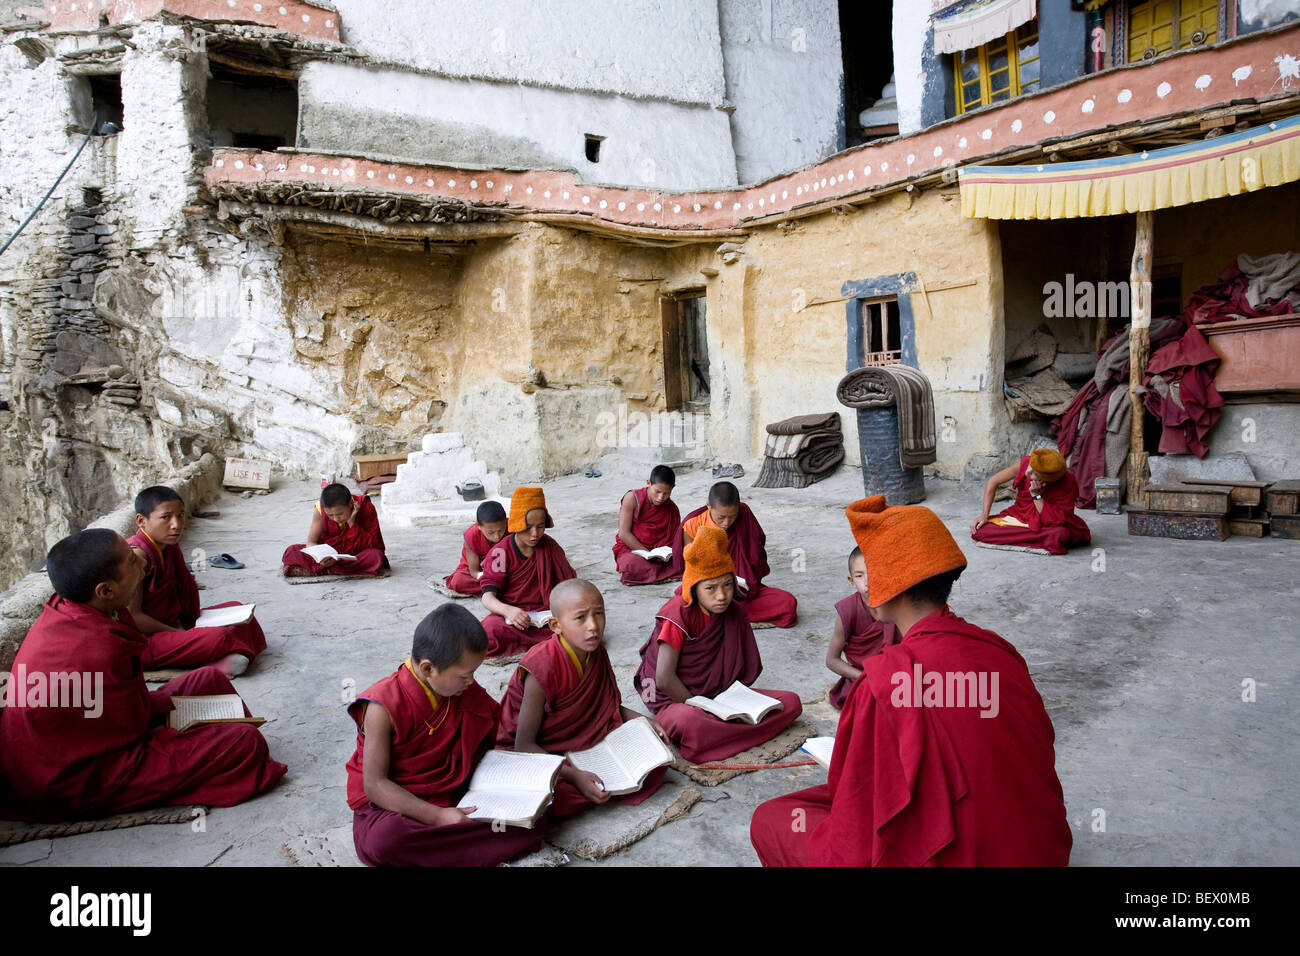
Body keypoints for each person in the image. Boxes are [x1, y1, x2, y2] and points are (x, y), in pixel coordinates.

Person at [749, 496, 1072, 867]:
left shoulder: (881, 685)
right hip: (1039, 851)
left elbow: (855, 809)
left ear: (888, 585)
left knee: (772, 819)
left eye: (872, 572)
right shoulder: (1001, 652)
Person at [0, 529, 286, 822]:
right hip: (74, 777)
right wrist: (173, 728)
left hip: (99, 730)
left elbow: (118, 709)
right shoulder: (96, 646)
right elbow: (130, 729)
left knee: (208, 680)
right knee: (243, 742)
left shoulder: (77, 608)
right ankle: (196, 768)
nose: (140, 558)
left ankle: (205, 752)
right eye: (129, 560)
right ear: (105, 590)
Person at [346, 604, 542, 867]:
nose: (471, 681)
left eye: (474, 673)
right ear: (428, 669)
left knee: (538, 809)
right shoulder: (383, 706)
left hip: (454, 792)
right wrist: (437, 817)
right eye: (465, 675)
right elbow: (375, 785)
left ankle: (453, 846)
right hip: (396, 804)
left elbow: (490, 740)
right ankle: (471, 843)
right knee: (386, 841)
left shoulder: (461, 690)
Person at [497, 579, 671, 817]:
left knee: (655, 765)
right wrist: (574, 775)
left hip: (586, 746)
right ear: (556, 625)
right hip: (544, 750)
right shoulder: (541, 666)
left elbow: (607, 706)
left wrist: (643, 721)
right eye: (581, 618)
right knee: (548, 798)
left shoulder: (596, 651)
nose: (594, 626)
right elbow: (523, 745)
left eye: (599, 614)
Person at [634, 526, 801, 763]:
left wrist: (728, 704)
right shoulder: (676, 616)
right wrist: (702, 707)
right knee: (689, 723)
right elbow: (663, 679)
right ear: (694, 587)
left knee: (791, 703)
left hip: (721, 698)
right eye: (710, 588)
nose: (721, 596)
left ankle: (718, 736)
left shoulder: (735, 612)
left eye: (727, 585)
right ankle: (725, 732)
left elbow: (744, 670)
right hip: (681, 701)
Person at [126, 485, 266, 676]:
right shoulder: (135, 557)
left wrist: (183, 625)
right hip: (144, 641)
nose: (176, 524)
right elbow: (133, 617)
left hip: (174, 624)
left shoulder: (169, 546)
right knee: (218, 636)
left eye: (181, 515)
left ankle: (208, 654)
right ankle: (214, 663)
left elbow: (181, 590)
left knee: (240, 611)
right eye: (166, 517)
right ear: (141, 520)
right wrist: (178, 633)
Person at [671, 481, 797, 628]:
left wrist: (740, 581)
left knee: (787, 602)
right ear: (708, 505)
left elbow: (755, 550)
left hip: (742, 589)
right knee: (688, 599)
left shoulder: (744, 513)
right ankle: (728, 615)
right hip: (711, 590)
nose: (727, 523)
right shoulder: (693, 525)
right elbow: (691, 568)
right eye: (721, 517)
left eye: (732, 516)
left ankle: (720, 617)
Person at [479, 487, 576, 658]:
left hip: (547, 616)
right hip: (513, 617)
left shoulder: (550, 547)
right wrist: (509, 611)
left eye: (540, 527)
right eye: (528, 527)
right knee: (487, 633)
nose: (535, 534)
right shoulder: (500, 552)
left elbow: (569, 586)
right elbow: (487, 598)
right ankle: (549, 644)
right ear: (517, 523)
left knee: (578, 626)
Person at [970, 448, 1091, 555]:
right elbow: (993, 481)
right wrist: (984, 515)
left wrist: (1036, 495)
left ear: (1046, 480)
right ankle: (1037, 539)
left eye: (1034, 473)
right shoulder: (1025, 463)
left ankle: (1025, 538)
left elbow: (1058, 519)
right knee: (981, 530)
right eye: (1030, 467)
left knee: (1060, 534)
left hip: (1047, 524)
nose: (1027, 472)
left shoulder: (1067, 482)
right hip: (1019, 515)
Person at [826, 547, 899, 710]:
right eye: (859, 576)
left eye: (874, 572)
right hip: (862, 679)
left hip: (897, 676)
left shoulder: (898, 604)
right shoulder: (848, 610)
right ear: (851, 581)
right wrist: (862, 677)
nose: (868, 581)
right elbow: (831, 660)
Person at [282, 483, 389, 577]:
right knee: (291, 551)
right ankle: (331, 569)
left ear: (351, 504)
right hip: (330, 555)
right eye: (330, 515)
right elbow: (311, 542)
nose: (336, 519)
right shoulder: (320, 510)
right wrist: (322, 557)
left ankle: (321, 570)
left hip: (355, 554)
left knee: (376, 557)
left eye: (340, 514)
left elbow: (374, 544)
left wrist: (352, 523)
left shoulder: (366, 506)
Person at [612, 465, 681, 586]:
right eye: (657, 491)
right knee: (630, 565)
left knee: (685, 559)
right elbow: (624, 534)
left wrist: (667, 553)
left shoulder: (672, 508)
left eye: (666, 493)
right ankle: (663, 573)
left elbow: (675, 537)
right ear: (648, 483)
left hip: (659, 552)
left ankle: (656, 573)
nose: (661, 498)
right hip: (633, 548)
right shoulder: (633, 498)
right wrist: (647, 554)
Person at [443, 501, 509, 596]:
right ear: (479, 526)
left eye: (501, 530)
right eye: (490, 532)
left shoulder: (512, 528)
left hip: (504, 569)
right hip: (482, 572)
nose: (497, 536)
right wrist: (489, 578)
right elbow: (474, 571)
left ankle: (495, 589)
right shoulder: (472, 535)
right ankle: (500, 589)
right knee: (458, 581)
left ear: (506, 522)